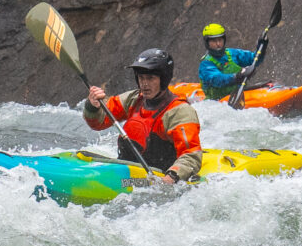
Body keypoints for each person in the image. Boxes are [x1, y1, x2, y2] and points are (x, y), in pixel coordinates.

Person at [85, 48, 203, 180]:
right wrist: (92, 106)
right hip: (128, 175)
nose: (144, 84)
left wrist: (173, 176)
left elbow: (190, 155)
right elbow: (98, 123)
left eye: (150, 78)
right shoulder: (134, 99)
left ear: (163, 79)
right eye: (141, 77)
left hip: (160, 178)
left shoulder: (180, 111)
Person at [197, 24, 258, 100]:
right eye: (214, 41)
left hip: (239, 94)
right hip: (216, 101)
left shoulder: (232, 53)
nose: (218, 44)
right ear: (207, 43)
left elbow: (254, 59)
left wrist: (261, 47)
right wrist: (237, 76)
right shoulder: (206, 64)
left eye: (220, 40)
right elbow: (216, 79)